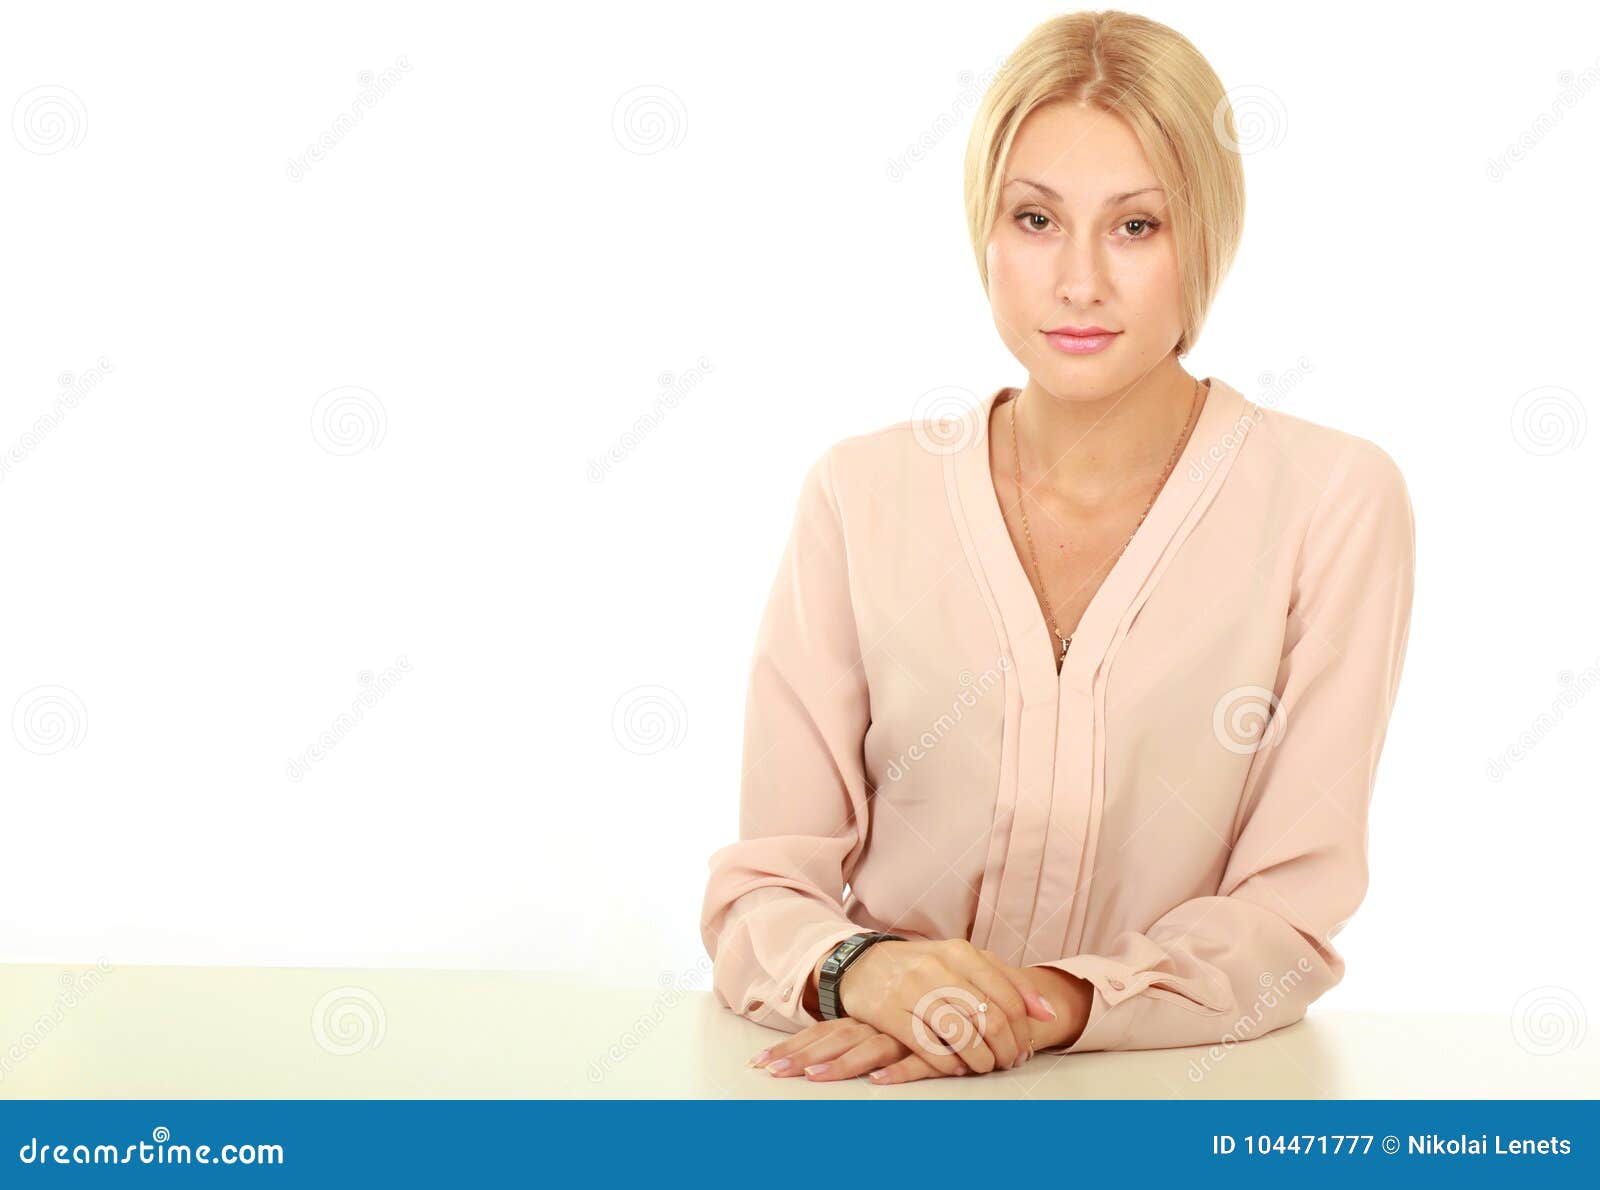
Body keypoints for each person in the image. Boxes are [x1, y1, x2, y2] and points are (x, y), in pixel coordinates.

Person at [700, 9, 1415, 1085]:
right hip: (872, 1099)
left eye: (1136, 226)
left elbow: (1285, 917)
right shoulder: (860, 494)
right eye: (1035, 218)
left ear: (1206, 237)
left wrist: (1030, 1006)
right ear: (983, 231)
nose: (1079, 281)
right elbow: (763, 889)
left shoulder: (1333, 502)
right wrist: (866, 972)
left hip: (1172, 1106)